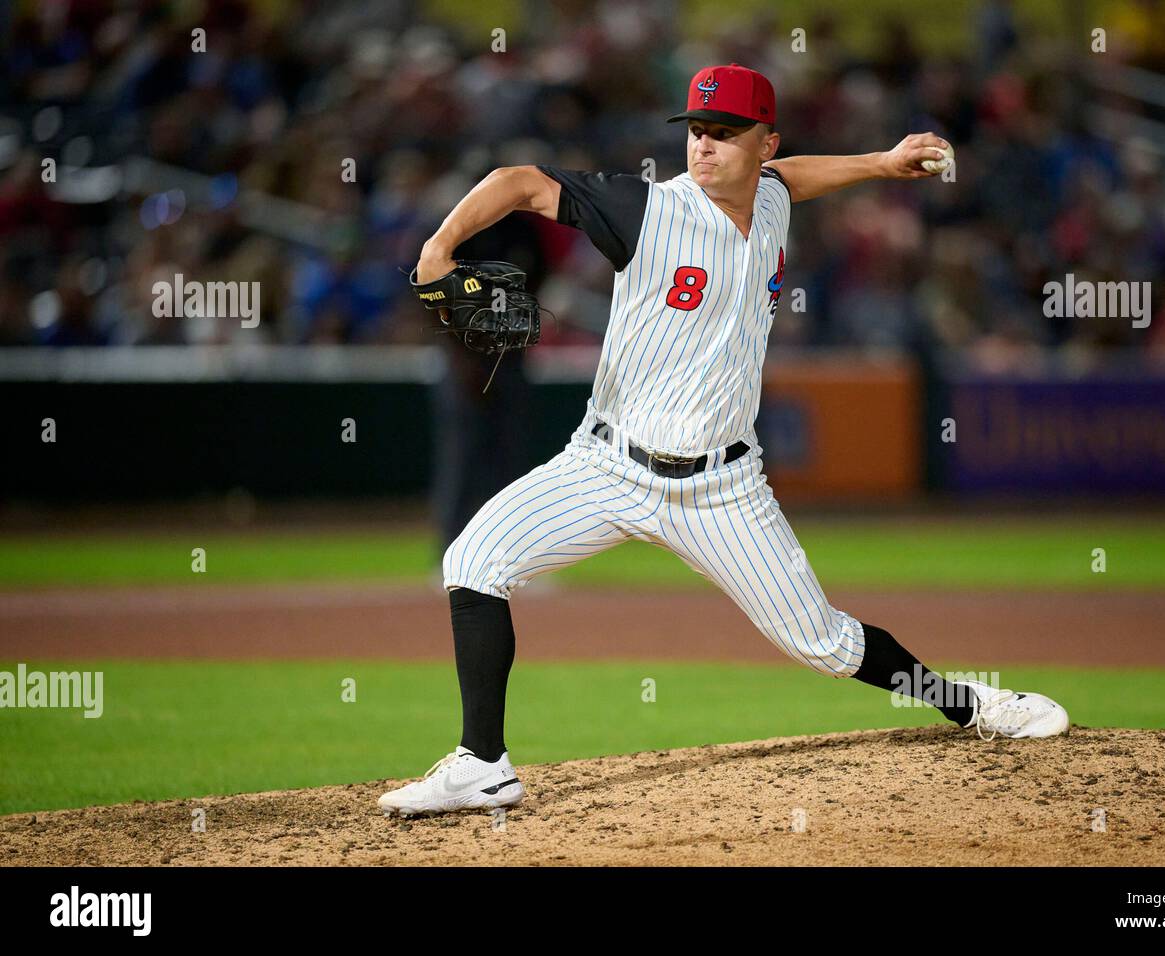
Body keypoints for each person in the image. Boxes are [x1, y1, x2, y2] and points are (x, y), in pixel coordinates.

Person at [380, 64, 1068, 818]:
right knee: (473, 561)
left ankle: (970, 704)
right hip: (606, 464)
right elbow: (517, 180)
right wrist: (439, 249)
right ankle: (483, 765)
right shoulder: (646, 210)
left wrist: (881, 162)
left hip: (723, 489)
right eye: (697, 131)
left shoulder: (768, 196)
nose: (704, 147)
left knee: (827, 645)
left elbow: (790, 180)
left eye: (725, 134)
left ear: (764, 142)